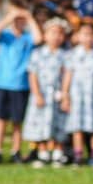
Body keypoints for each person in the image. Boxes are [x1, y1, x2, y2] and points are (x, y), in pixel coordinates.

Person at [0, 4, 36, 163]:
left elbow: (40, 38)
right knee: (0, 119)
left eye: (21, 20)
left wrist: (29, 17)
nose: (18, 22)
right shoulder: (6, 36)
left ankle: (16, 151)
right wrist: (9, 17)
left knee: (17, 121)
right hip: (3, 84)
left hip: (21, 85)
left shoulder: (28, 38)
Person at [23, 17, 70, 167]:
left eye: (60, 33)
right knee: (40, 124)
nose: (56, 36)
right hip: (41, 95)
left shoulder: (66, 55)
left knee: (59, 124)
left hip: (57, 95)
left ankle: (57, 153)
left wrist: (64, 93)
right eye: (52, 33)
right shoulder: (37, 53)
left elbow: (67, 74)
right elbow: (33, 74)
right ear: (45, 35)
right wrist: (37, 94)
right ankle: (42, 153)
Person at [59, 20, 93, 166]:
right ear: (77, 36)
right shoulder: (72, 55)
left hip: (92, 98)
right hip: (76, 99)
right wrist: (65, 96)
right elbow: (67, 77)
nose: (89, 38)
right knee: (77, 128)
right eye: (85, 34)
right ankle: (78, 156)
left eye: (92, 35)